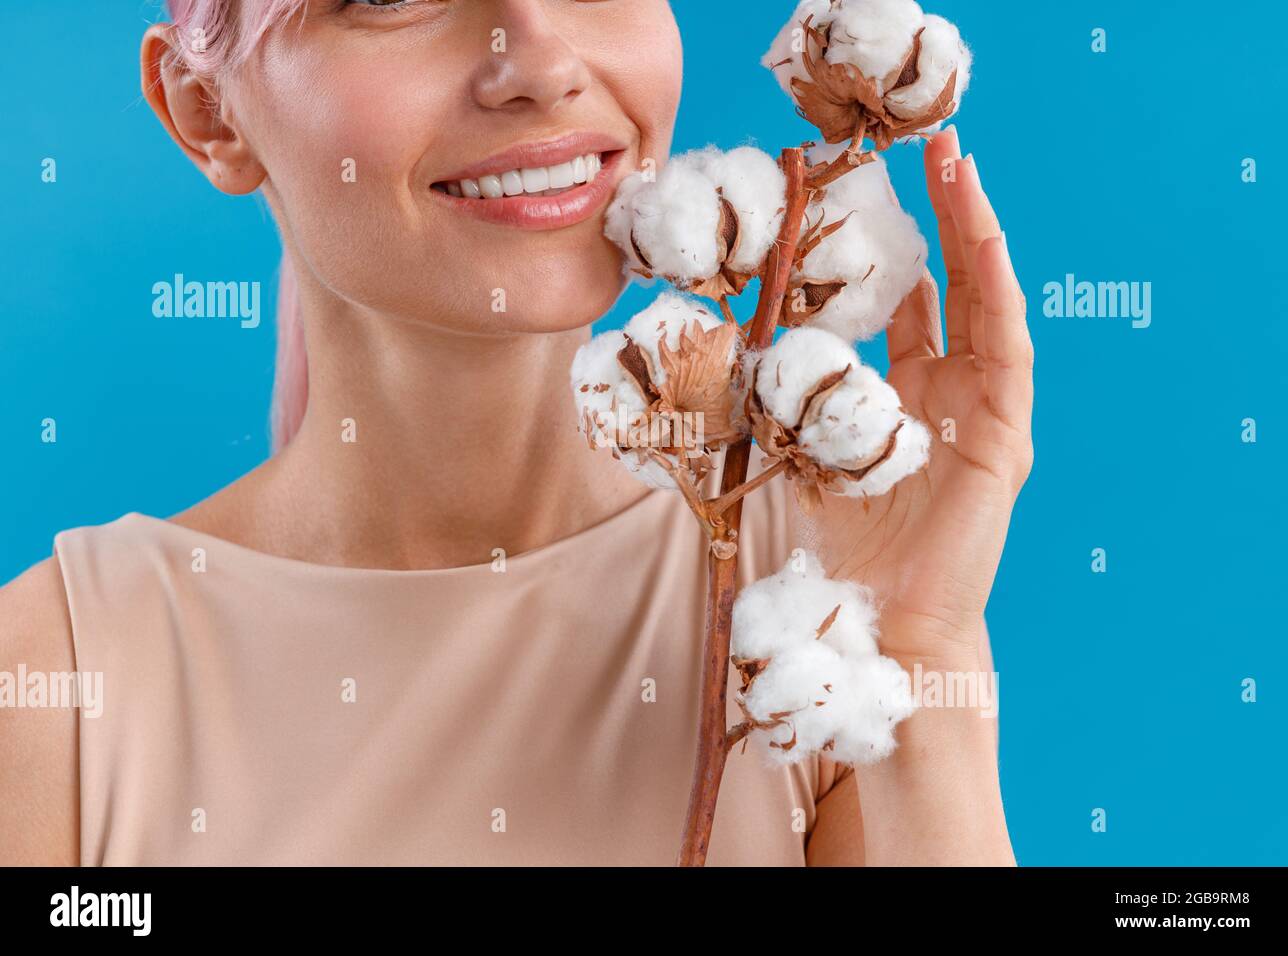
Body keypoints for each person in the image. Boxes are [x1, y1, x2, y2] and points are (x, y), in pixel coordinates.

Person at [0, 0, 1030, 866]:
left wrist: (920, 651)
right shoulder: (54, 678)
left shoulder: (811, 603)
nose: (538, 61)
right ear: (205, 112)